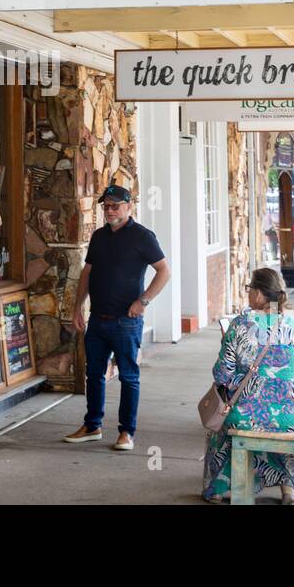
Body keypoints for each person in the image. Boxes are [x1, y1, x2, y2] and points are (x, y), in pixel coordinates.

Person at [65, 184, 170, 451]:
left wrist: (143, 300)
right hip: (98, 319)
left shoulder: (143, 237)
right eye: (106, 206)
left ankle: (126, 432)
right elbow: (87, 273)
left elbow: (164, 271)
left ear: (129, 206)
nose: (110, 210)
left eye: (115, 206)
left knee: (128, 377)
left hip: (126, 321)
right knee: (94, 374)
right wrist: (78, 307)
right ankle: (92, 425)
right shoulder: (99, 236)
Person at [201, 267, 294, 504]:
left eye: (250, 288)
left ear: (261, 293)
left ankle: (219, 488)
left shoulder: (241, 325)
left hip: (247, 414)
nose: (248, 293)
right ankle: (289, 489)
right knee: (280, 421)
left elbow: (222, 374)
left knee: (228, 424)